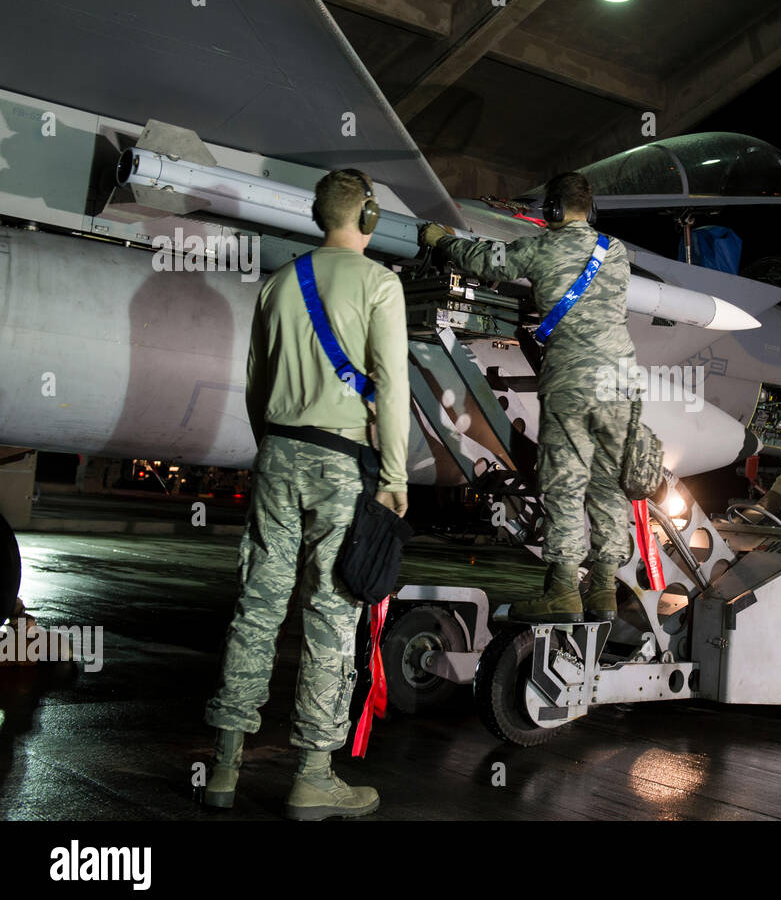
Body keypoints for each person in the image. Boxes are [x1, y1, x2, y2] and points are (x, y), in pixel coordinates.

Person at [203, 168, 410, 820]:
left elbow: (255, 387)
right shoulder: (381, 284)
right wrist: (397, 475)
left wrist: (275, 448)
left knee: (258, 605)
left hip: (278, 452)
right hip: (341, 461)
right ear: (368, 216)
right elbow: (393, 389)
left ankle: (223, 766)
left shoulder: (278, 284)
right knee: (329, 612)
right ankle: (313, 776)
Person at [424, 172, 633, 623]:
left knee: (564, 480)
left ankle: (562, 589)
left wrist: (441, 240)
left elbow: (487, 261)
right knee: (606, 483)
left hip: (574, 379)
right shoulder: (616, 253)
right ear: (590, 210)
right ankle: (603, 592)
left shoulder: (543, 246)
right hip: (619, 380)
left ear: (553, 211)